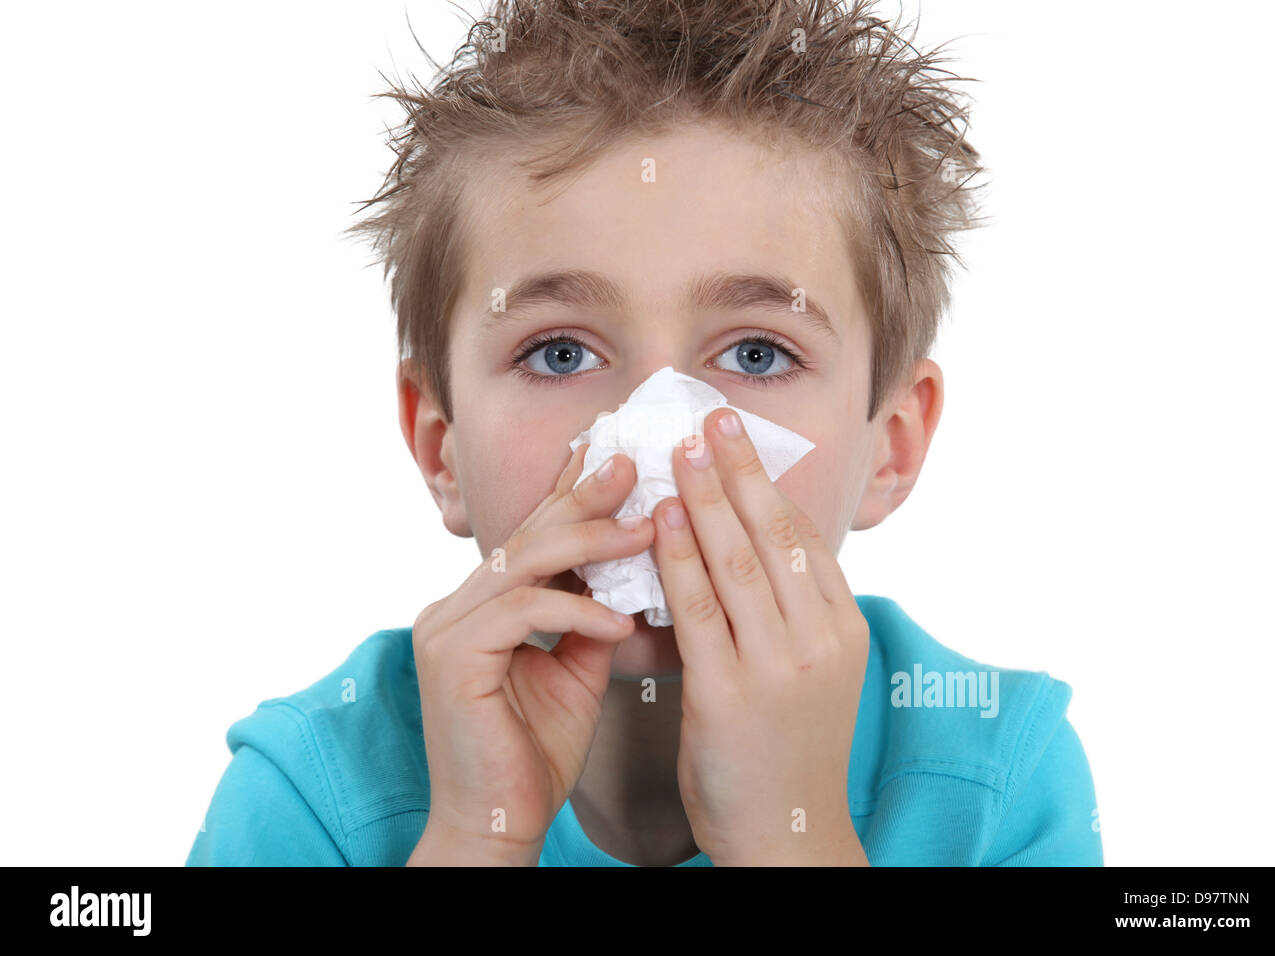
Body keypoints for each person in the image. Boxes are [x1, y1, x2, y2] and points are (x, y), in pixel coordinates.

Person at [187, 0, 1102, 867]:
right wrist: (475, 837)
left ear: (892, 447)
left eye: (753, 355)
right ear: (440, 447)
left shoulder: (998, 776)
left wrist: (792, 840)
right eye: (557, 355)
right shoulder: (310, 790)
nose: (651, 449)